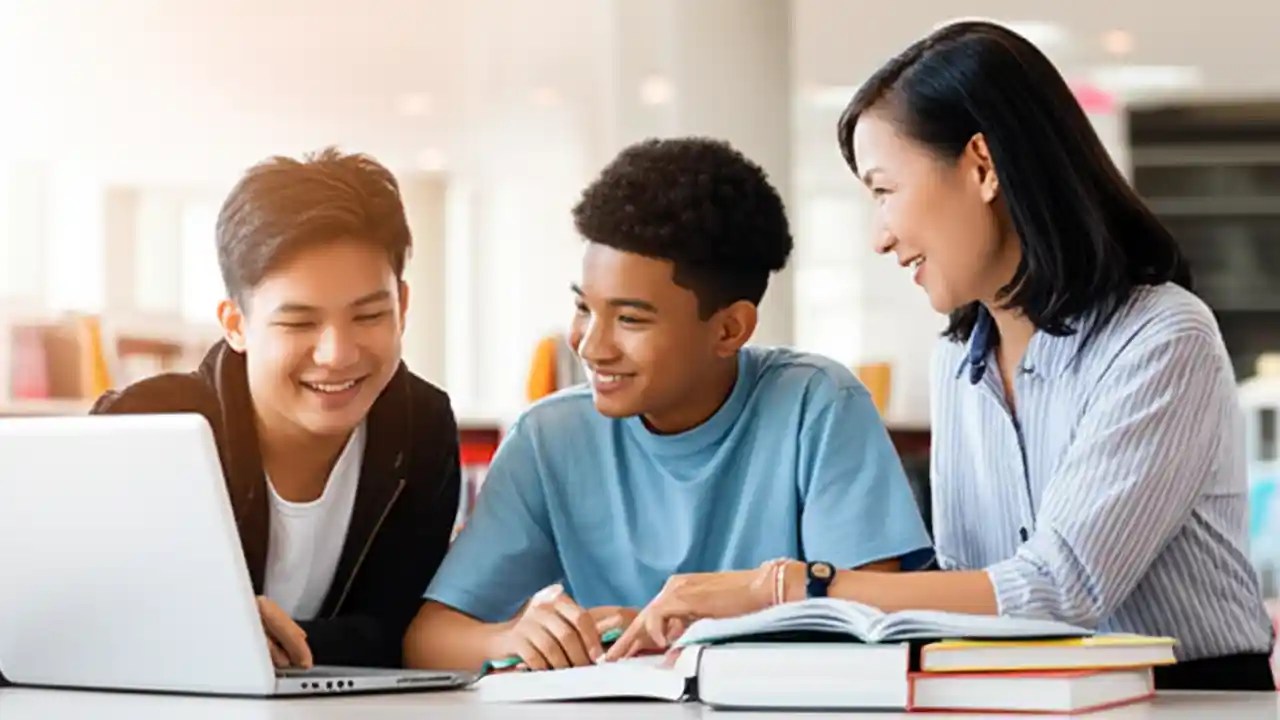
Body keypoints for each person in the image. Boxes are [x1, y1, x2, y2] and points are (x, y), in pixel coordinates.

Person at [605, 21, 1277, 691]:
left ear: (982, 166)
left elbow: (1061, 586)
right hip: (1026, 697)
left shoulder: (1161, 336)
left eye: (884, 190)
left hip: (1191, 698)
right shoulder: (959, 364)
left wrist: (786, 588)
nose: (880, 237)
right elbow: (965, 585)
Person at [403, 137, 932, 672]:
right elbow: (429, 639)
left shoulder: (818, 406)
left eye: (630, 319)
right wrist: (511, 638)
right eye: (584, 307)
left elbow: (875, 619)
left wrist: (715, 628)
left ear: (729, 329)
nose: (592, 345)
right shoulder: (548, 437)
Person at [91, 148, 461, 669]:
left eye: (369, 315)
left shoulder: (421, 425)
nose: (337, 354)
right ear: (236, 324)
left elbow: (400, 629)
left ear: (402, 305)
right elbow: (73, 619)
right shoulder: (145, 426)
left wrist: (258, 643)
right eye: (299, 323)